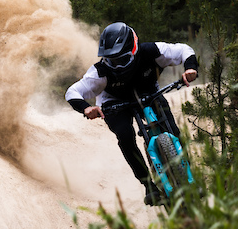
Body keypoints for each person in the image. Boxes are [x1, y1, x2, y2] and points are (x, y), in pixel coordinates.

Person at [65, 22, 198, 205]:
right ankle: (148, 186)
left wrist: (190, 68)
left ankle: (189, 179)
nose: (116, 64)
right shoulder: (100, 71)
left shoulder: (151, 51)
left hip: (150, 93)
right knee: (125, 136)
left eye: (120, 58)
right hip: (114, 102)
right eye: (111, 59)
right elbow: (72, 92)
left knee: (173, 131)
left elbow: (183, 49)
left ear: (134, 48)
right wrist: (86, 108)